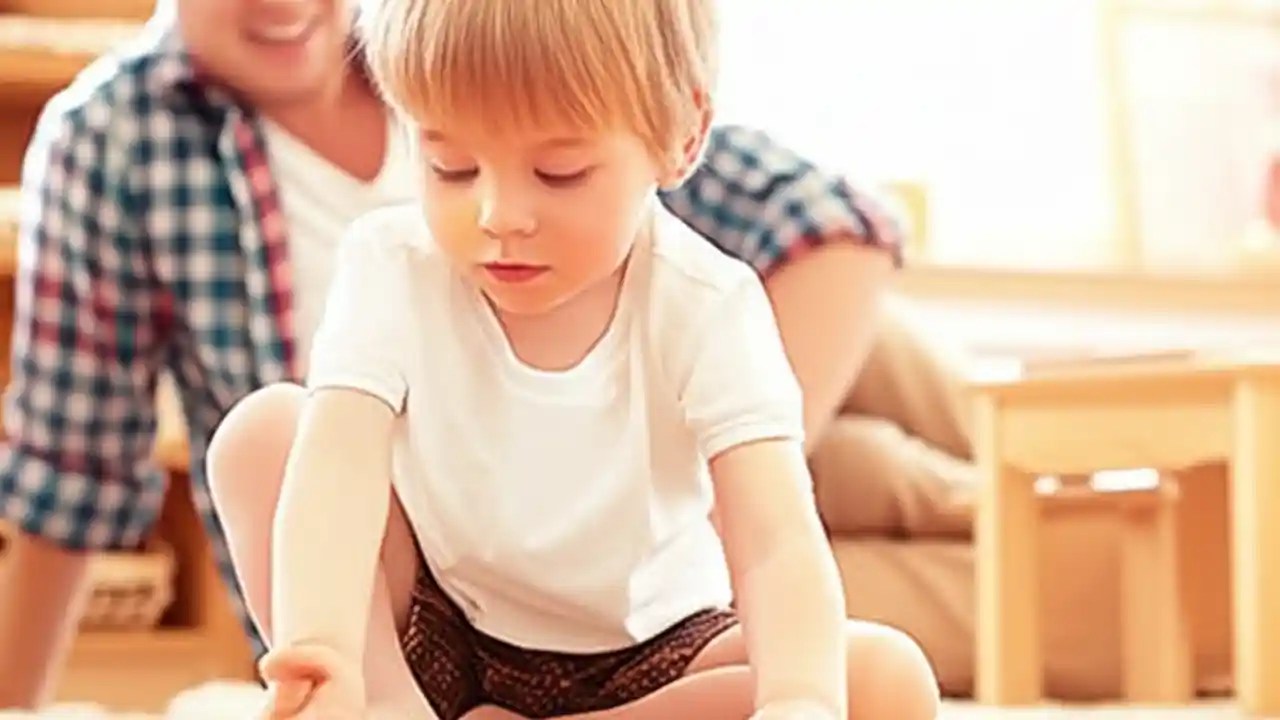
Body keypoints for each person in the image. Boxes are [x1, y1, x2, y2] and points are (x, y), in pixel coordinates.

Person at [0, 0, 926, 711]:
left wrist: (799, 701)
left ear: (684, 136)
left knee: (881, 678)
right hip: (449, 639)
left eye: (557, 174)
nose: (497, 215)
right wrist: (326, 650)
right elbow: (336, 471)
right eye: (448, 166)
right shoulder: (390, 261)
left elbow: (772, 541)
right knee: (265, 432)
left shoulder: (711, 302)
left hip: (658, 655)